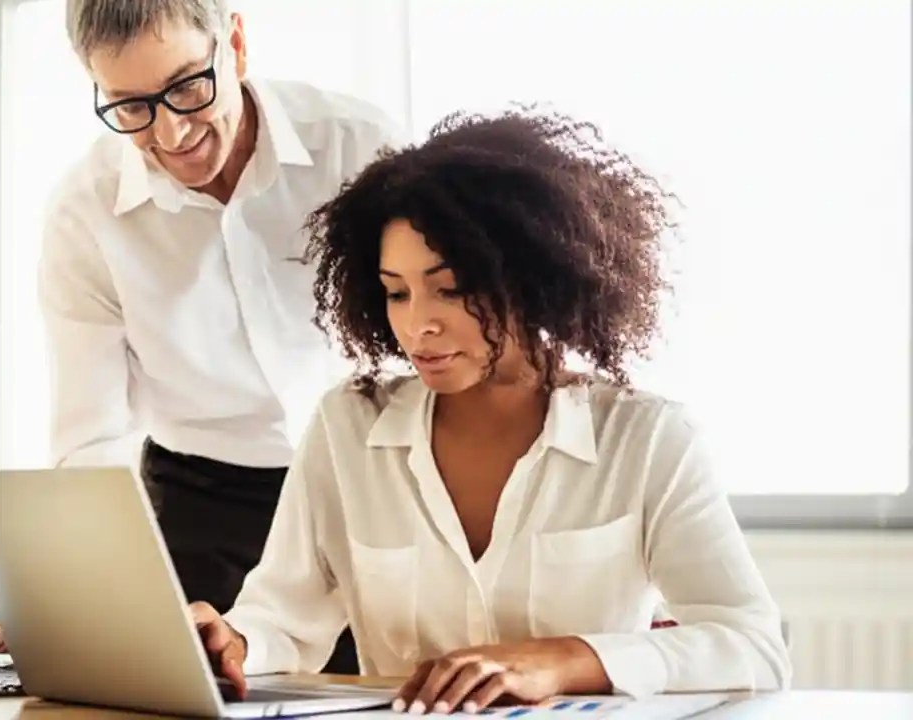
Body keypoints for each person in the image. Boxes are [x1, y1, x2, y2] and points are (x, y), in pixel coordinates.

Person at [189, 108, 792, 711]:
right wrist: (235, 641)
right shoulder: (347, 428)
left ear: (533, 277)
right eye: (396, 291)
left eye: (450, 288)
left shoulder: (647, 439)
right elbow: (284, 619)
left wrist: (563, 660)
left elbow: (753, 646)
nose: (417, 324)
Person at [0, 0, 403, 673]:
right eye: (130, 106)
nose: (171, 131)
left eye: (189, 86)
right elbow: (90, 436)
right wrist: (61, 597)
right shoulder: (87, 210)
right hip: (202, 508)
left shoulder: (357, 148)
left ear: (236, 45)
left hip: (371, 490)